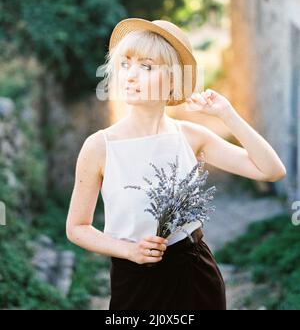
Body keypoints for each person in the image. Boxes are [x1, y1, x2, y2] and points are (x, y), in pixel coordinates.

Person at [66, 18, 286, 310]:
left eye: (146, 66)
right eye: (126, 64)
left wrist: (227, 113)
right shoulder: (100, 146)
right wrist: (129, 250)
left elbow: (271, 170)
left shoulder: (190, 136)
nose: (131, 75)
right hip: (135, 282)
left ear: (172, 80)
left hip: (195, 275)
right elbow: (77, 227)